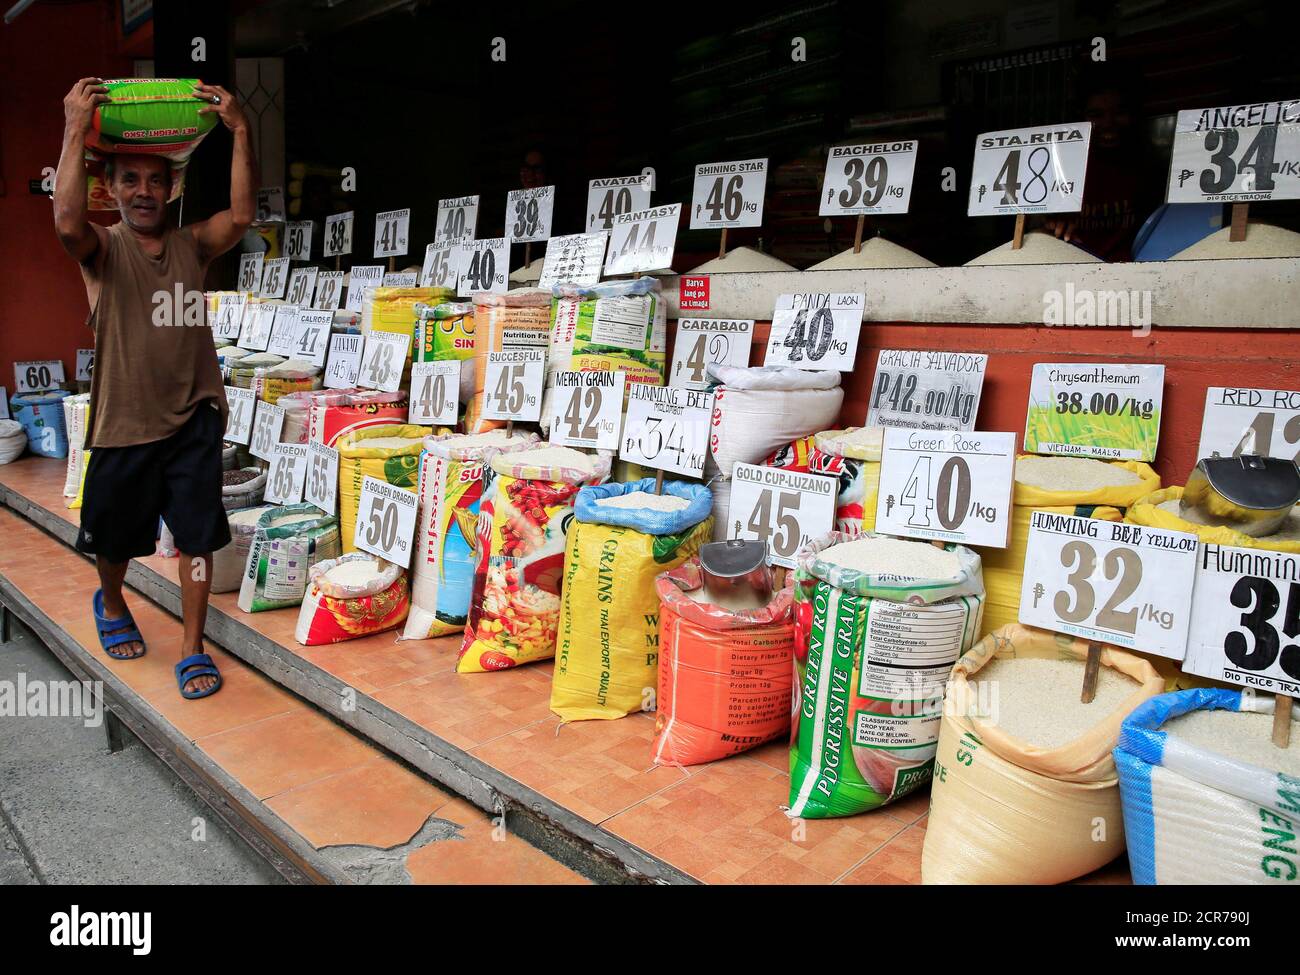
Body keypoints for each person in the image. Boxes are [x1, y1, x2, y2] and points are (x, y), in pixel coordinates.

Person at [53, 77, 257, 699]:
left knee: (197, 536)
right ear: (109, 191)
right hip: (123, 423)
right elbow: (65, 222)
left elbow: (243, 216)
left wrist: (241, 130)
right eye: (130, 181)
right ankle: (111, 598)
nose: (144, 191)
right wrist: (71, 125)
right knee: (114, 540)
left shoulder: (191, 245)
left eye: (155, 180)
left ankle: (193, 646)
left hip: (194, 418)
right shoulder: (103, 249)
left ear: (172, 189)